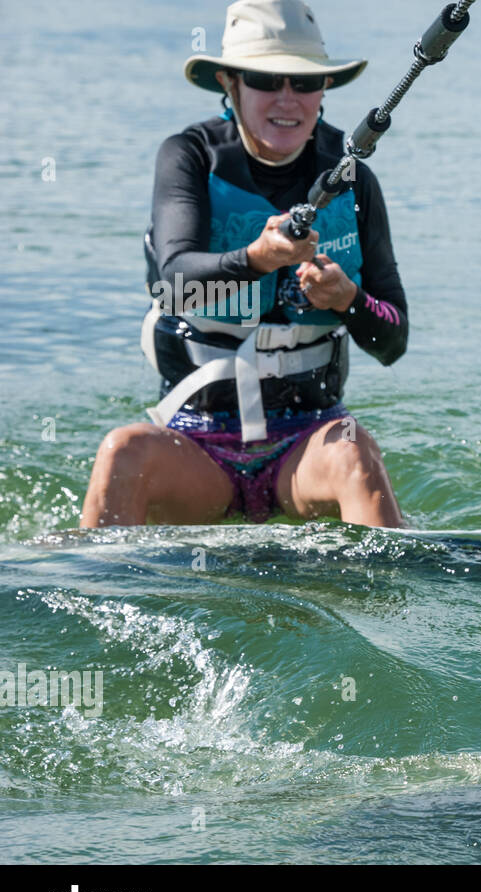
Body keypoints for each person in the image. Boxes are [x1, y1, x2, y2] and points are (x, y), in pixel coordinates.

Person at [81, 0, 407, 528]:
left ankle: (404, 595)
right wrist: (255, 259)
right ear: (230, 84)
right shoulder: (189, 157)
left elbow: (394, 341)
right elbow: (172, 289)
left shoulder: (354, 179)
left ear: (323, 91)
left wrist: (347, 299)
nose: (287, 98)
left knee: (355, 450)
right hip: (195, 444)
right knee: (122, 452)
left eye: (304, 83)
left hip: (308, 445)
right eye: (264, 79)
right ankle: (85, 591)